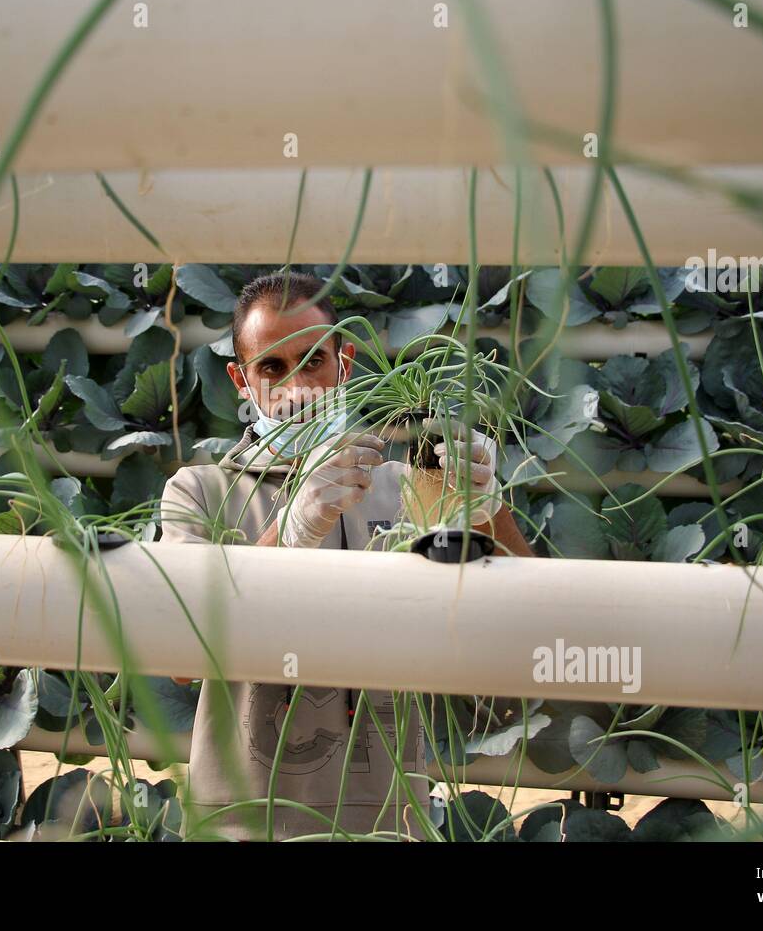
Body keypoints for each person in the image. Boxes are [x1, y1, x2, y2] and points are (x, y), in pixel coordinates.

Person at [157, 271, 534, 841]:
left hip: (388, 817)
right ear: (240, 380)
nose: (299, 387)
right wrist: (286, 534)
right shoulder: (200, 491)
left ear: (346, 362)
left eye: (313, 361)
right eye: (272, 369)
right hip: (238, 819)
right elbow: (179, 658)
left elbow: (524, 614)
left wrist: (487, 505)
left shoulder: (408, 488)